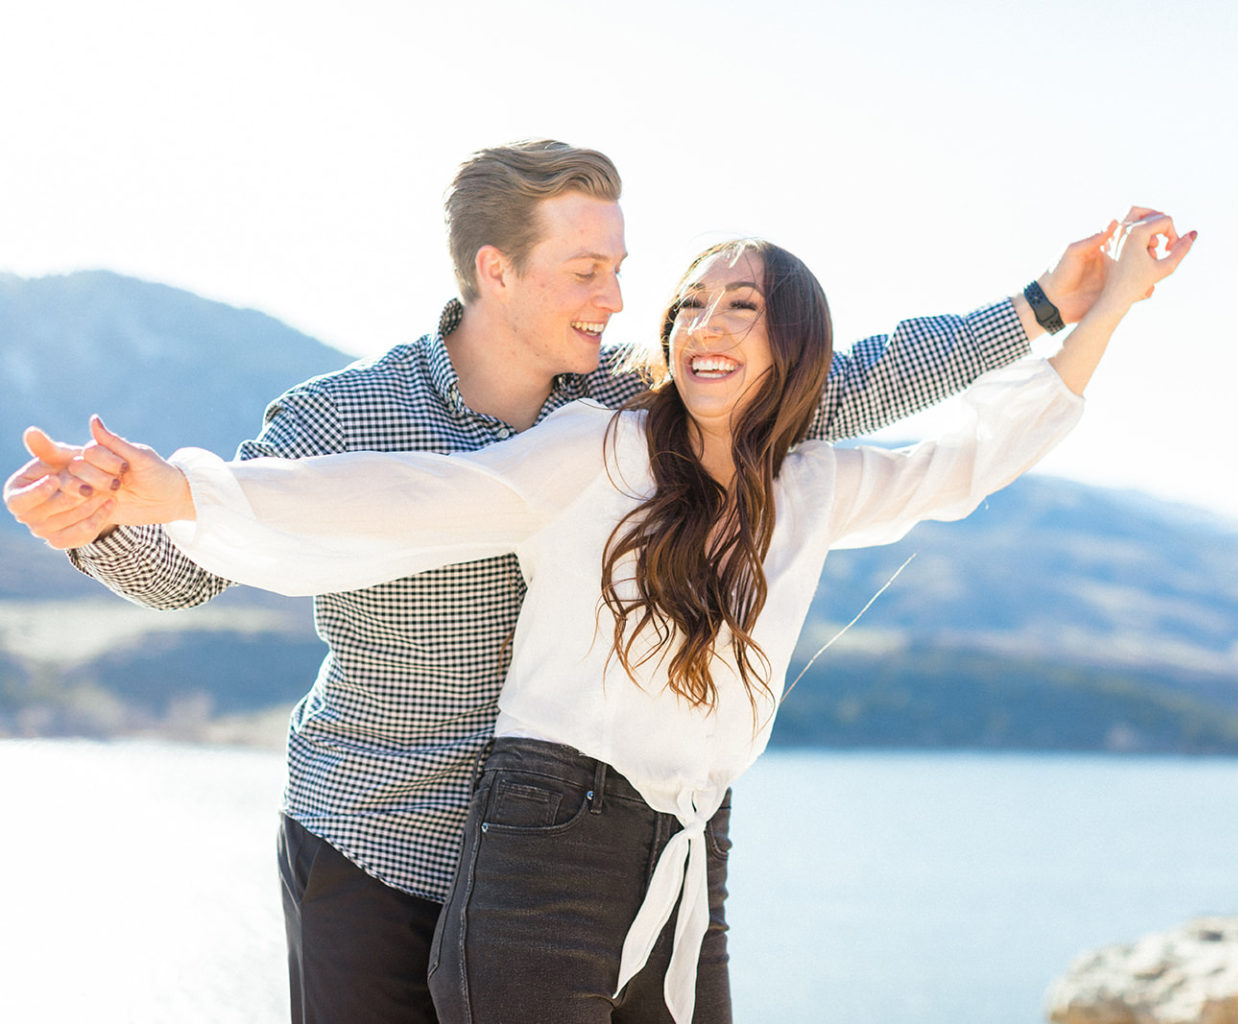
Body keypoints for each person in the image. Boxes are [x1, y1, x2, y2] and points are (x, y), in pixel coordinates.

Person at [2, 139, 1122, 1023]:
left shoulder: (641, 406)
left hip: (574, 848)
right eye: (591, 271)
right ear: (498, 270)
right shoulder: (355, 417)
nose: (621, 298)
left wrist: (1049, 305)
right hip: (375, 834)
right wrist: (104, 521)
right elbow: (250, 546)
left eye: (628, 271)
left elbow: (862, 386)